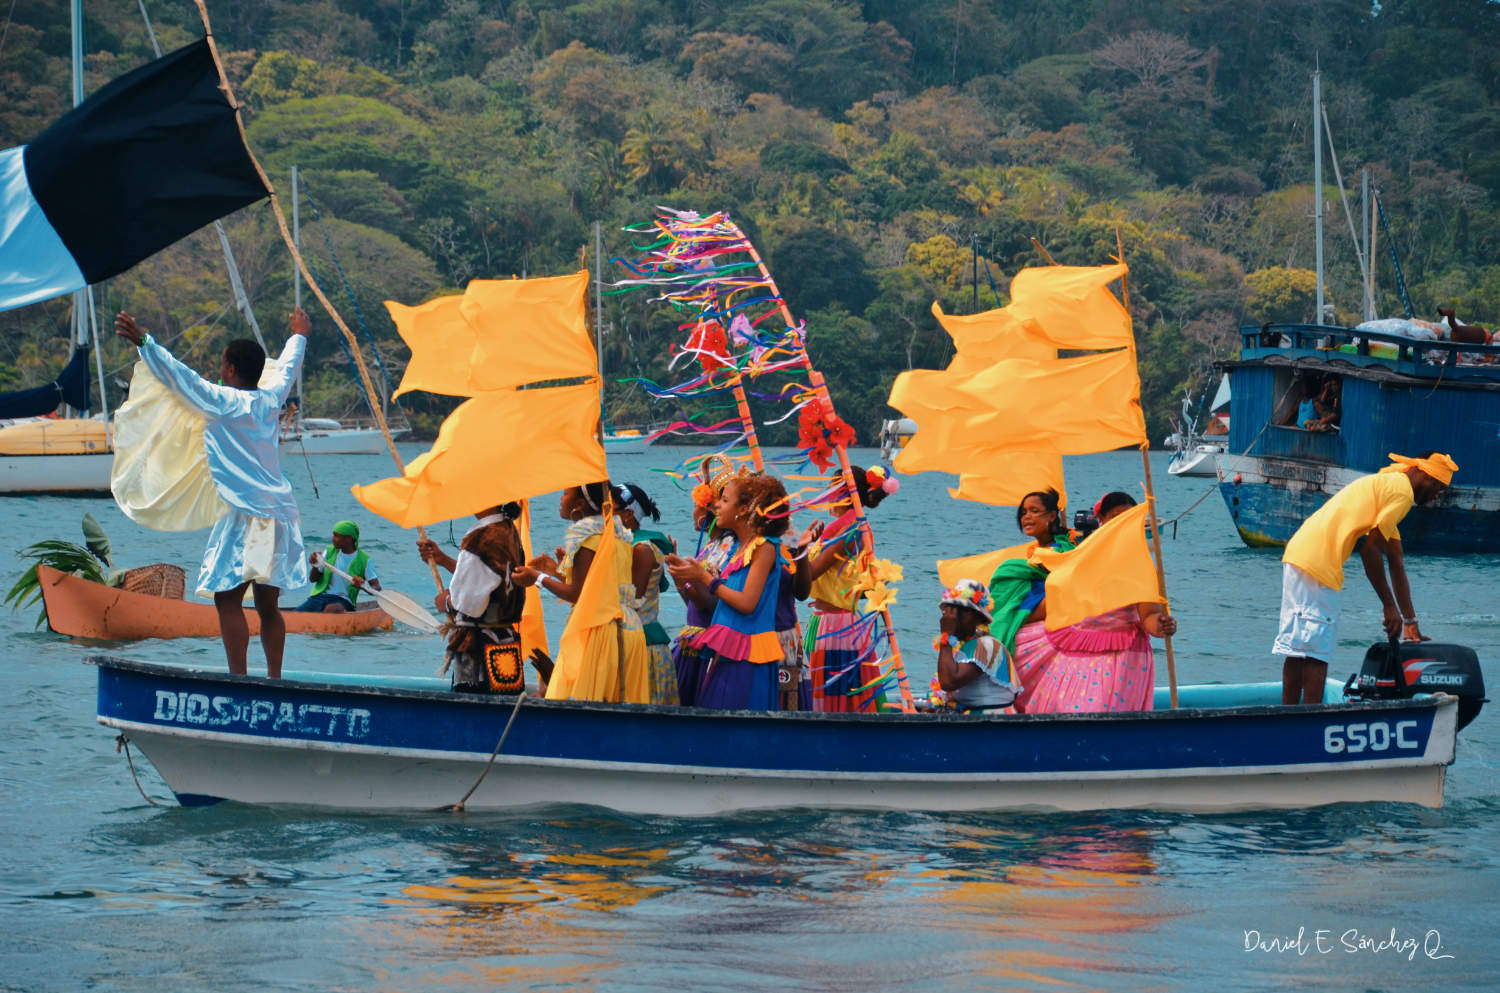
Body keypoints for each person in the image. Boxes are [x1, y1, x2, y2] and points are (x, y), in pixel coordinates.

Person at [114, 309, 309, 678]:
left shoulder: (223, 403)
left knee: (227, 599)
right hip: (280, 510)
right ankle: (274, 679)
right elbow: (288, 367)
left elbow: (180, 377)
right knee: (268, 604)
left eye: (222, 364)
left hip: (246, 513)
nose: (218, 370)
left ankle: (238, 679)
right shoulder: (271, 400)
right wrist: (299, 335)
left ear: (232, 370)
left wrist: (144, 341)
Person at [1274, 451, 1457, 705]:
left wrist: (1410, 621)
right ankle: (1308, 727)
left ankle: (1287, 720)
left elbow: (1396, 562)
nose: (1437, 495)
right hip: (1318, 563)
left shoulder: (1389, 486)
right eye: (1438, 487)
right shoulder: (1401, 494)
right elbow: (1370, 550)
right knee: (1316, 653)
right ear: (1425, 476)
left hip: (1300, 555)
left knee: (1298, 650)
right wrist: (1389, 606)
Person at [1024, 493, 1177, 714]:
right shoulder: (1084, 556)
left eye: (1128, 519)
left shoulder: (1139, 565)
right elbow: (1060, 602)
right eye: (1115, 518)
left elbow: (1149, 615)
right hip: (1080, 648)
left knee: (1100, 711)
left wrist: (1161, 626)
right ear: (1102, 521)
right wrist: (1014, 619)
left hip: (1122, 654)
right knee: (1065, 708)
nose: (1121, 525)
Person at [514, 482, 651, 704]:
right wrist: (556, 572)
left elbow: (577, 594)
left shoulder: (588, 538)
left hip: (601, 630)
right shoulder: (616, 536)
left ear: (579, 504)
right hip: (630, 629)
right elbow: (600, 585)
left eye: (566, 493)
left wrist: (536, 578)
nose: (561, 498)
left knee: (581, 704)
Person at [666, 473, 790, 710]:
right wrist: (686, 578)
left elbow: (747, 603)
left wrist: (704, 578)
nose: (716, 506)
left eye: (724, 500)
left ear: (743, 509)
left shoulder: (764, 548)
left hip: (750, 657)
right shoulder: (739, 548)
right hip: (732, 651)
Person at [796, 464, 899, 712]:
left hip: (837, 627)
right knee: (827, 694)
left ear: (843, 493)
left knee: (835, 699)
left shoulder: (850, 530)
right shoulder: (840, 529)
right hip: (825, 621)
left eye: (831, 490)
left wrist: (796, 550)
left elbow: (810, 574)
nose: (827, 497)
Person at [417, 503, 529, 694]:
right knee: (503, 707)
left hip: (477, 650)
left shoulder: (479, 540)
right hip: (505, 643)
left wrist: (445, 602)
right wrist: (443, 560)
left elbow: (470, 605)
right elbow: (487, 580)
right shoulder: (508, 529)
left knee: (473, 711)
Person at [988, 489, 1076, 703]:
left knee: (1007, 569)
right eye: (1023, 512)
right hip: (1037, 599)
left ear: (1052, 516)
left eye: (1034, 511)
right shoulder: (1039, 550)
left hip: (1049, 602)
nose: (1026, 516)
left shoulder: (1063, 548)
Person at [671, 454, 741, 705]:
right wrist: (681, 579)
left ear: (708, 511)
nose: (693, 512)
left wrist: (689, 578)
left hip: (709, 645)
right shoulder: (709, 548)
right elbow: (692, 601)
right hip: (694, 640)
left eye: (697, 506)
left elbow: (711, 604)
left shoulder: (729, 548)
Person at [617, 482, 679, 706]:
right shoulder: (624, 545)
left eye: (610, 510)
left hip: (642, 648)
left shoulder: (641, 548)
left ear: (628, 515)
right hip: (630, 643)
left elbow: (631, 601)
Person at [933, 579, 1017, 712]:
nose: (950, 618)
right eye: (948, 613)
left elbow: (948, 682)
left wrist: (946, 635)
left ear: (973, 616)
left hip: (991, 722)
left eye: (956, 612)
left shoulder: (987, 645)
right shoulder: (967, 645)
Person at [295, 520, 382, 612]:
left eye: (336, 536)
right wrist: (315, 566)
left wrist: (362, 586)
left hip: (343, 601)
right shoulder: (329, 552)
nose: (333, 539)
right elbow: (313, 579)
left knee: (332, 609)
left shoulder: (365, 560)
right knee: (295, 614)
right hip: (319, 597)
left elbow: (377, 587)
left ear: (349, 538)